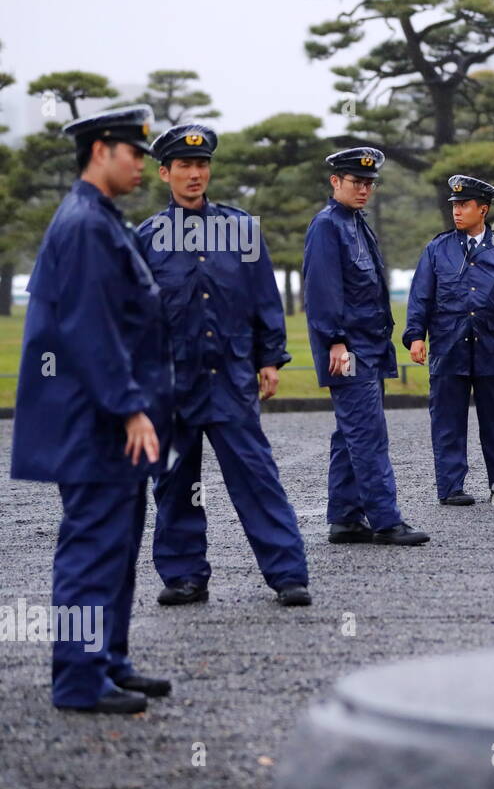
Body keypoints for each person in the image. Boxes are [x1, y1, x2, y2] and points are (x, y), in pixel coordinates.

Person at [11, 105, 173, 713]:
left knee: (118, 545)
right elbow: (90, 331)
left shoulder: (100, 220)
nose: (143, 165)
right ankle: (79, 681)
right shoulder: (84, 225)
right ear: (102, 151)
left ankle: (107, 659)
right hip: (96, 421)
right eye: (136, 153)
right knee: (92, 549)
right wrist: (130, 408)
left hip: (109, 419)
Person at [137, 124, 310, 607]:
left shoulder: (241, 230)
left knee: (257, 477)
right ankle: (184, 576)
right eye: (184, 166)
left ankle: (288, 574)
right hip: (172, 385)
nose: (195, 174)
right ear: (164, 173)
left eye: (202, 165)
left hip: (231, 380)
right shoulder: (146, 239)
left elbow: (263, 299)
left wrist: (271, 359)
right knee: (174, 485)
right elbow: (132, 317)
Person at [303, 148, 429, 544]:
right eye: (356, 182)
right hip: (350, 350)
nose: (364, 189)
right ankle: (386, 519)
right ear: (335, 182)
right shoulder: (328, 226)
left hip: (370, 347)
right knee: (368, 434)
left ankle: (344, 518)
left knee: (350, 433)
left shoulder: (356, 223)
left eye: (369, 183)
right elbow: (322, 292)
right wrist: (335, 342)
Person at [404, 175, 494, 504]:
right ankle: (452, 488)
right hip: (448, 347)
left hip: (493, 349)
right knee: (448, 421)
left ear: (483, 210)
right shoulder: (437, 249)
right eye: (454, 205)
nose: (456, 211)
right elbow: (420, 296)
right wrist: (415, 337)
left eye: (464, 205)